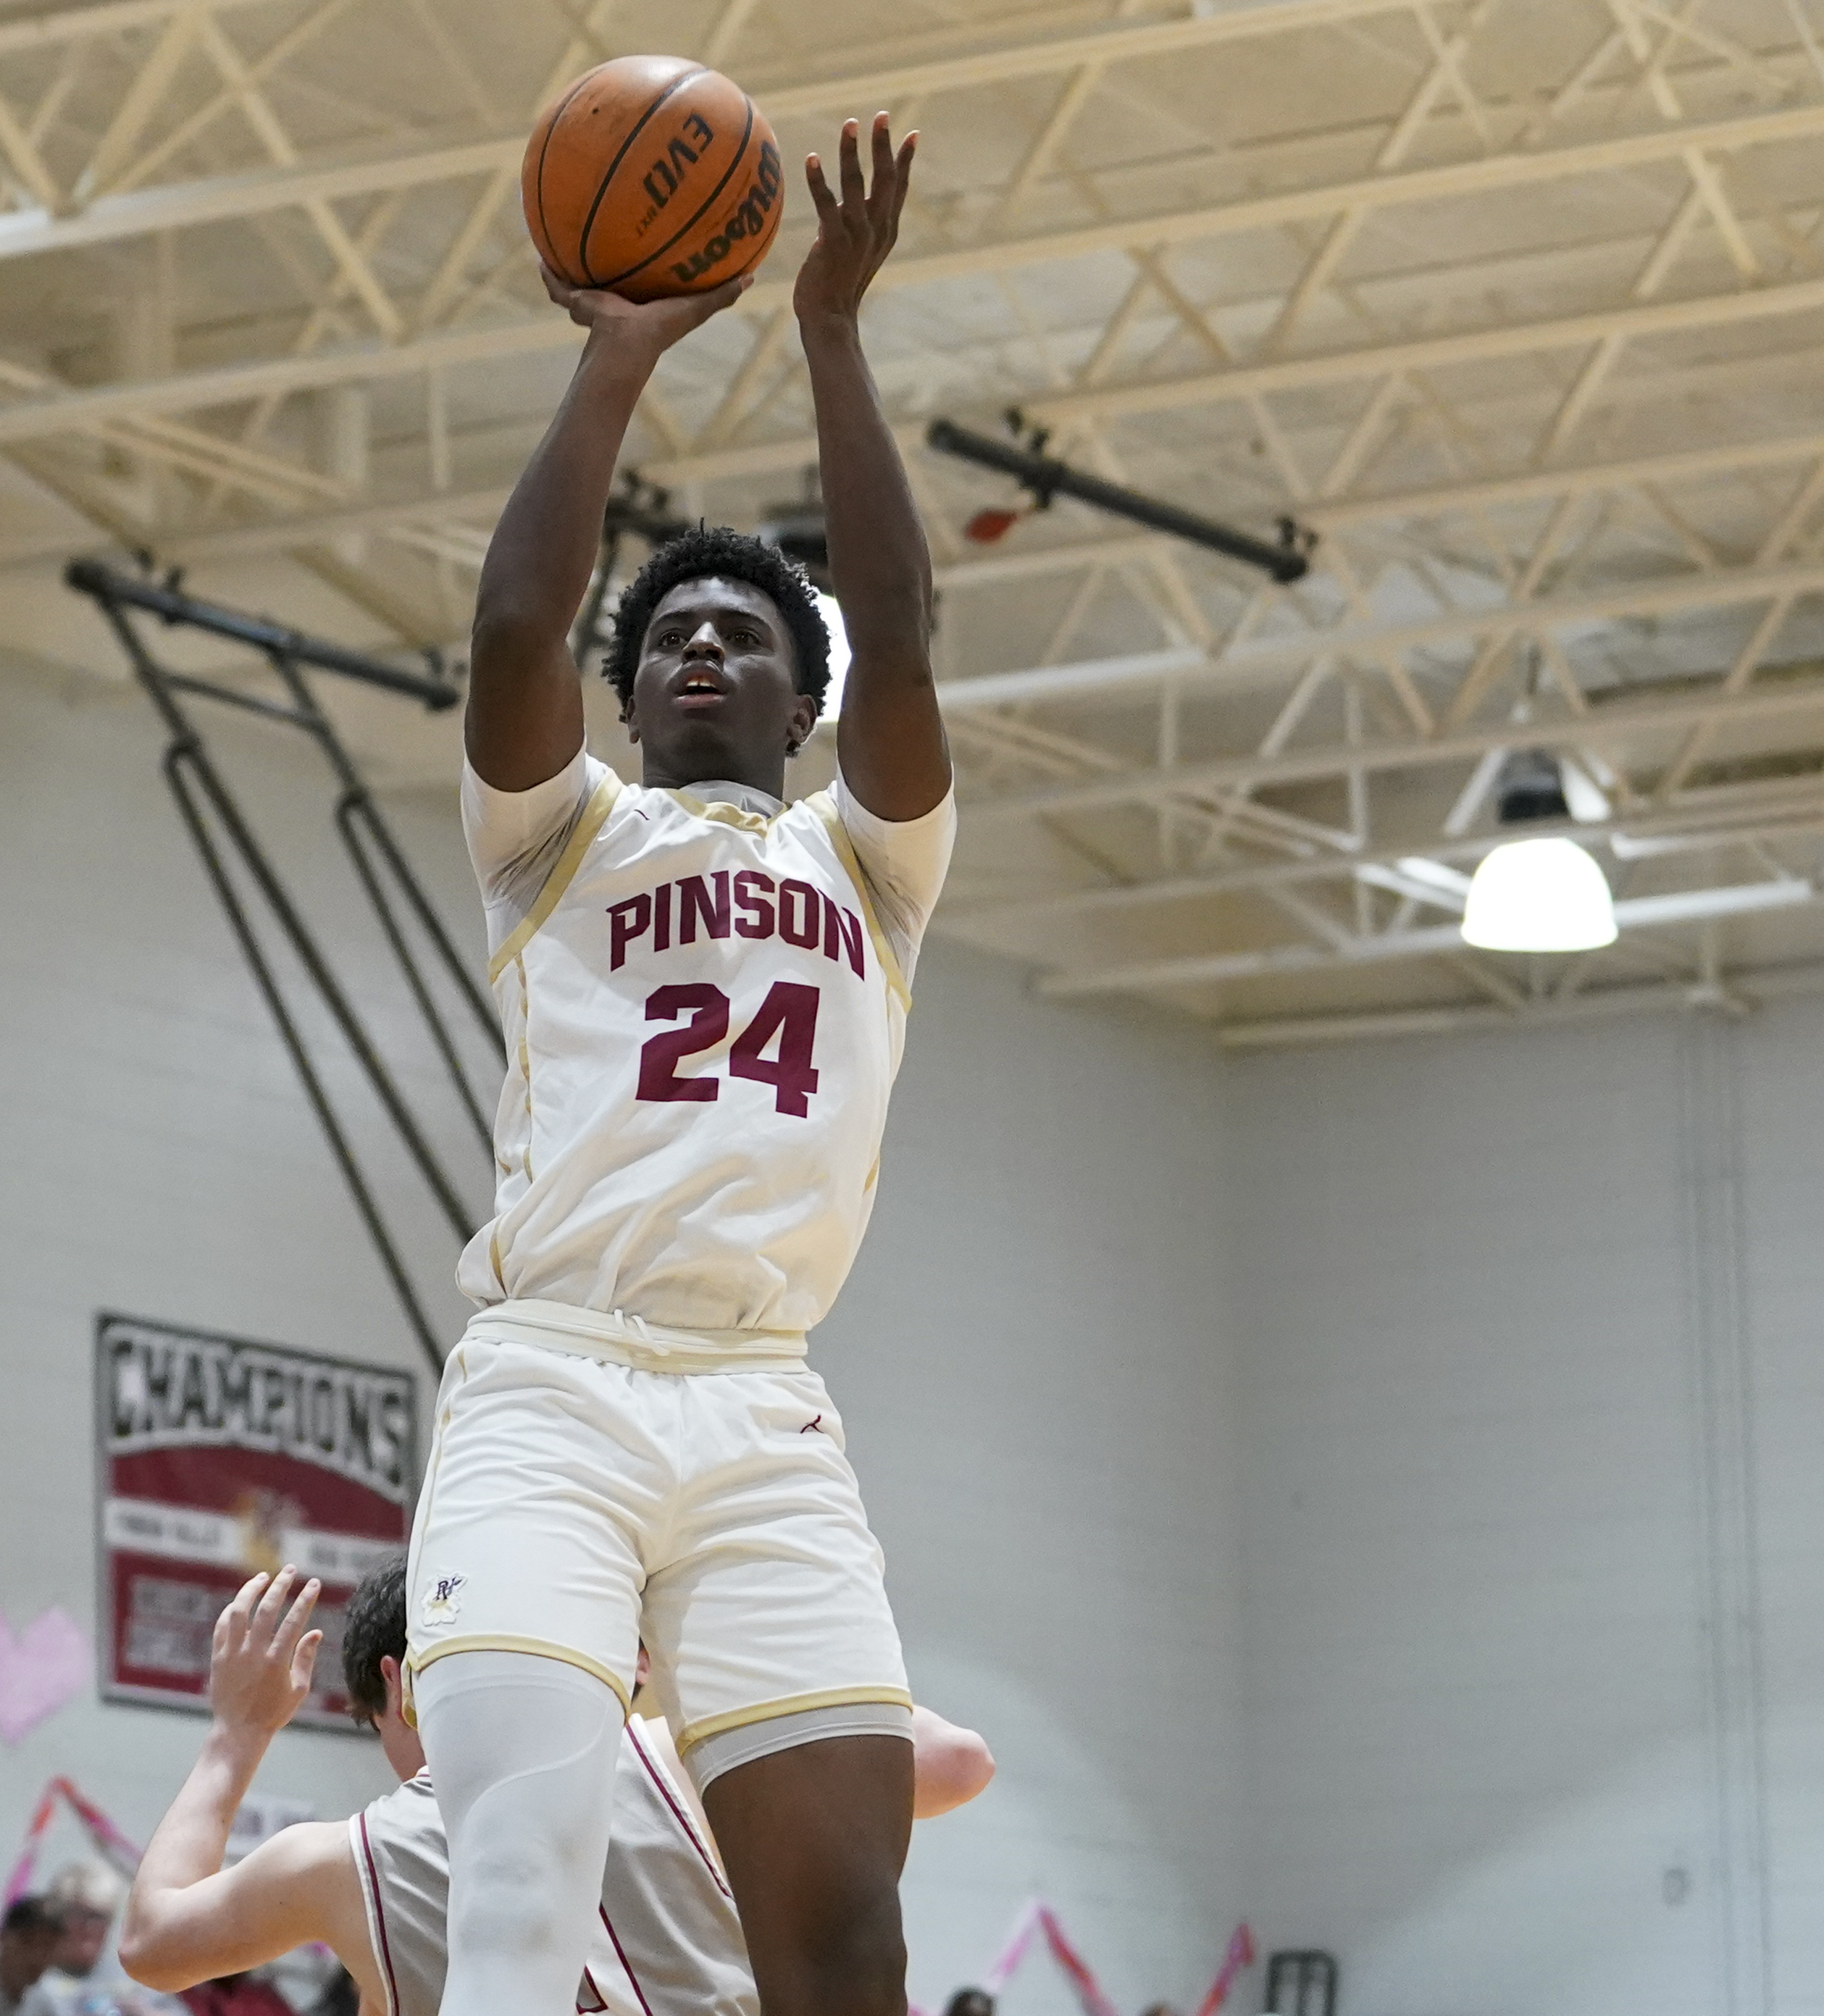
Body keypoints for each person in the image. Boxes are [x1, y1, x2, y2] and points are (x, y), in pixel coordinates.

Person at [407, 106, 953, 2016]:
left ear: (801, 704)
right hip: (553, 1382)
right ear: (627, 698)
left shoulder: (868, 859)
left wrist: (827, 330)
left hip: (757, 1404)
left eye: (740, 636)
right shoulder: (561, 837)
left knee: (846, 1935)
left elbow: (898, 621)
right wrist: (615, 350)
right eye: (667, 641)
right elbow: (504, 622)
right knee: (522, 1887)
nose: (699, 651)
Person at [118, 1566, 993, 2016]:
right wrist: (695, 1659)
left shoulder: (341, 1861)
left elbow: (152, 1941)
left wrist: (240, 1732)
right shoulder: (678, 1754)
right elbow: (958, 1761)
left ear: (402, 1680)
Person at [1, 1900, 62, 2016]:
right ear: (4, 1936)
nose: (36, 1957)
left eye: (47, 1947)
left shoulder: (44, 2004)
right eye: (27, 1942)